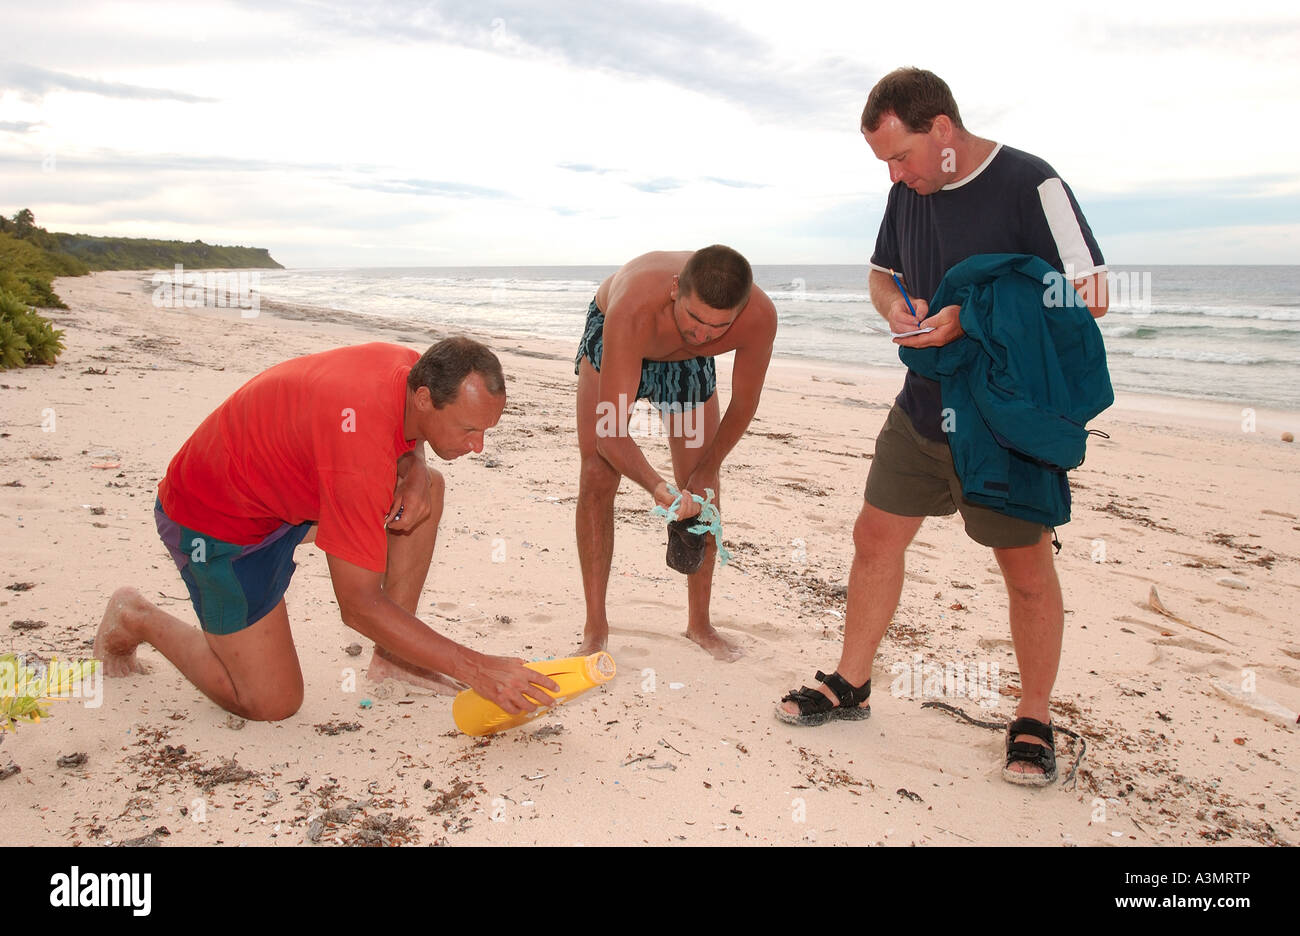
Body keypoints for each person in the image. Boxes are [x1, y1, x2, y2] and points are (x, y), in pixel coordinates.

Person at [777, 68, 1109, 786]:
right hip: (923, 402)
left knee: (1024, 571)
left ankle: (1034, 717)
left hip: (1004, 423)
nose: (893, 175)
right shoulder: (906, 193)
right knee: (874, 536)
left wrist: (975, 315)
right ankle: (852, 683)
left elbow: (1092, 294)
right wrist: (893, 306)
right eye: (883, 164)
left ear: (943, 132)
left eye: (901, 156)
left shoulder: (1032, 184)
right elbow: (880, 273)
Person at [94, 338, 559, 721]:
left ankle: (394, 659)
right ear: (424, 398)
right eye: (469, 430)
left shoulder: (408, 367)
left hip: (287, 497)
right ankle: (136, 615)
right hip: (214, 523)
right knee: (270, 703)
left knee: (427, 489)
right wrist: (478, 669)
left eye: (486, 432)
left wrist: (415, 467)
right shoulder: (358, 459)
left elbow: (394, 435)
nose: (478, 447)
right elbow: (358, 606)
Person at [574, 246, 777, 661]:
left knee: (704, 490)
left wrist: (707, 469)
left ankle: (699, 624)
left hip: (687, 367)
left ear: (739, 312)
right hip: (622, 341)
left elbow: (744, 404)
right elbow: (610, 435)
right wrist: (657, 487)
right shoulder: (634, 308)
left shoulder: (759, 317)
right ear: (674, 290)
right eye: (696, 318)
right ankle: (596, 626)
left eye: (718, 327)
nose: (703, 333)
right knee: (597, 472)